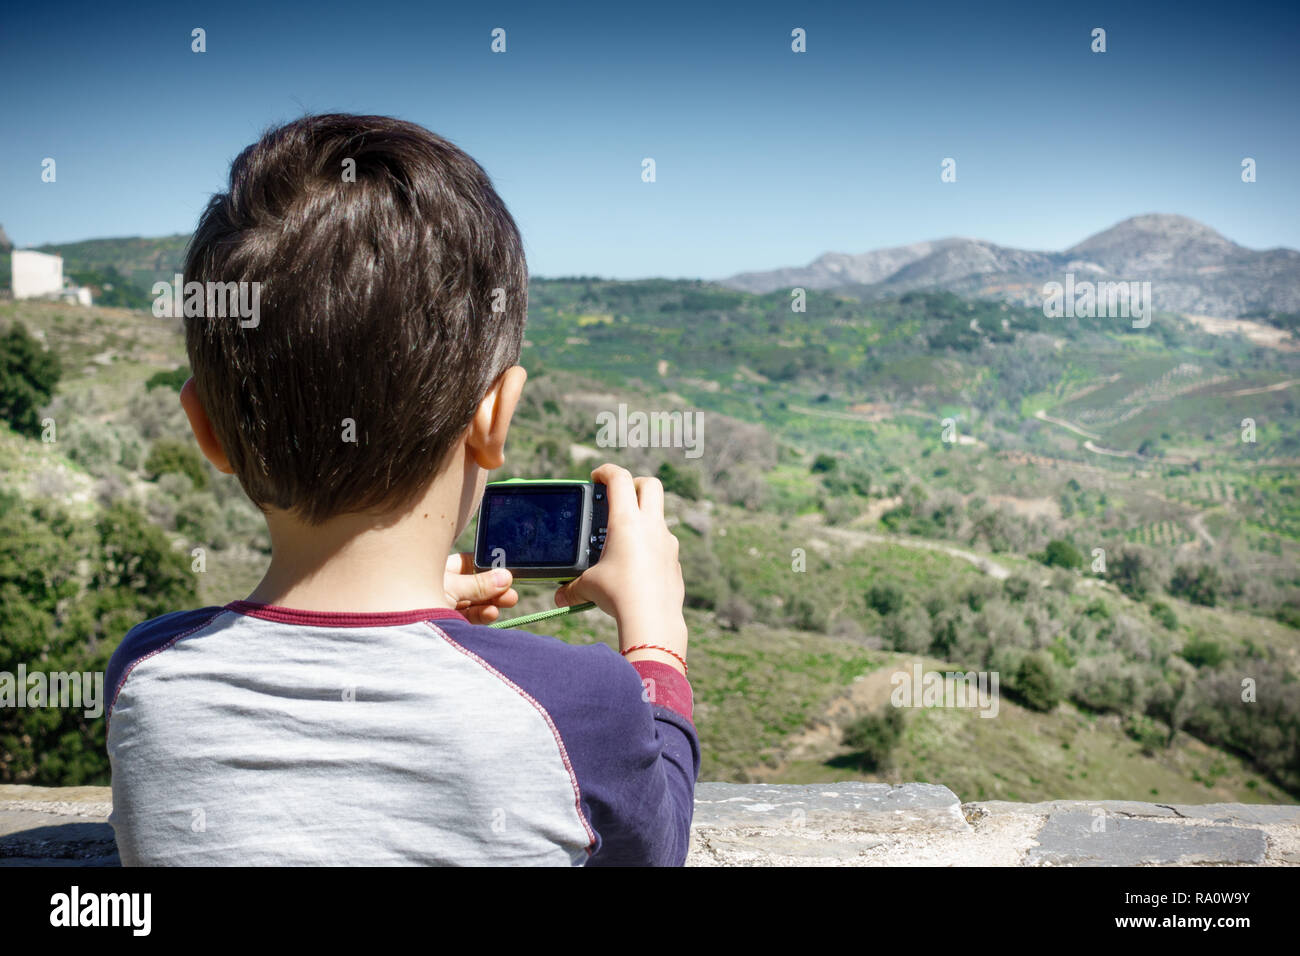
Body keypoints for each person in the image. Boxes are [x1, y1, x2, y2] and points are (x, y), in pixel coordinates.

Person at [105, 114, 698, 866]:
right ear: (494, 415)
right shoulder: (577, 705)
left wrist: (400, 632)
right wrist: (655, 646)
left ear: (207, 430)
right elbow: (657, 842)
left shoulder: (144, 675)